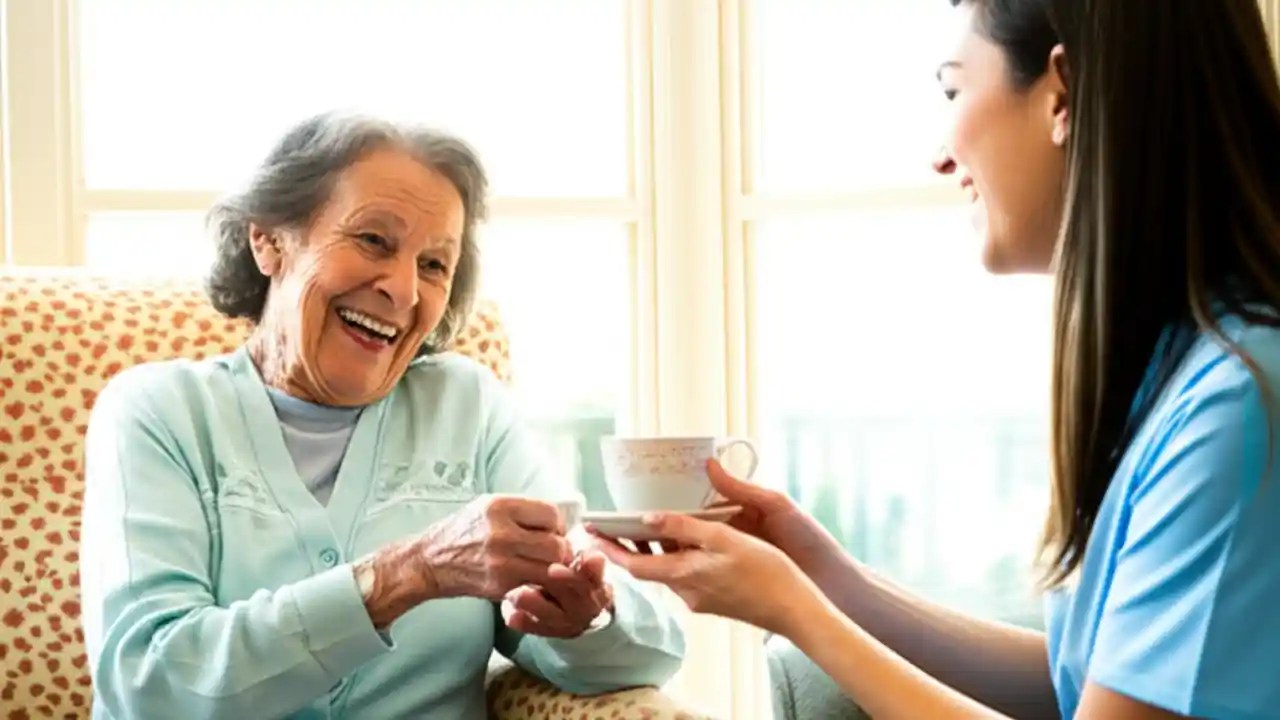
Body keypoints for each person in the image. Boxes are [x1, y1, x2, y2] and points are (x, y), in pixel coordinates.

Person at [593, 1, 1280, 718]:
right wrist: (820, 573)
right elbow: (1078, 687)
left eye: (955, 90)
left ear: (1062, 97)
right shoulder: (1184, 374)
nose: (941, 155)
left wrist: (798, 611)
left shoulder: (1241, 406)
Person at [79, 112, 684, 720]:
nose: (403, 290)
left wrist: (585, 618)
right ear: (268, 240)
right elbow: (150, 683)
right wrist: (407, 574)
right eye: (373, 240)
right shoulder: (158, 412)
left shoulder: (466, 408)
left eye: (433, 265)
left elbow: (649, 651)